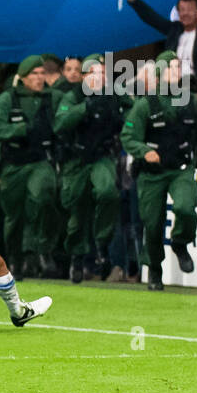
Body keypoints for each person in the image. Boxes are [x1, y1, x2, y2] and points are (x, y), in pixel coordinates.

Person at [119, 51, 197, 291]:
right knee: (153, 224)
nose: (178, 72)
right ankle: (155, 268)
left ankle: (180, 242)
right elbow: (128, 135)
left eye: (179, 68)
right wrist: (142, 150)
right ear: (159, 74)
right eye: (172, 68)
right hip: (152, 173)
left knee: (186, 207)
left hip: (181, 168)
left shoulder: (190, 100)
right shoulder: (145, 104)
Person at [0, 55, 60, 278]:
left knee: (42, 197)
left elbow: (67, 115)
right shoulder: (7, 99)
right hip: (13, 164)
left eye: (42, 73)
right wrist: (21, 130)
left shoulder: (54, 98)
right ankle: (15, 259)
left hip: (40, 160)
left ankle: (41, 250)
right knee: (13, 216)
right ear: (24, 77)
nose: (39, 78)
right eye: (34, 74)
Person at [54, 53, 123, 283]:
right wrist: (85, 107)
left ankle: (102, 243)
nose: (100, 77)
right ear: (84, 76)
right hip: (77, 159)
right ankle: (76, 256)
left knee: (107, 192)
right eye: (94, 73)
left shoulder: (112, 96)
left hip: (101, 157)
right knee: (76, 213)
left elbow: (135, 111)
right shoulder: (73, 96)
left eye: (103, 73)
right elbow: (61, 123)